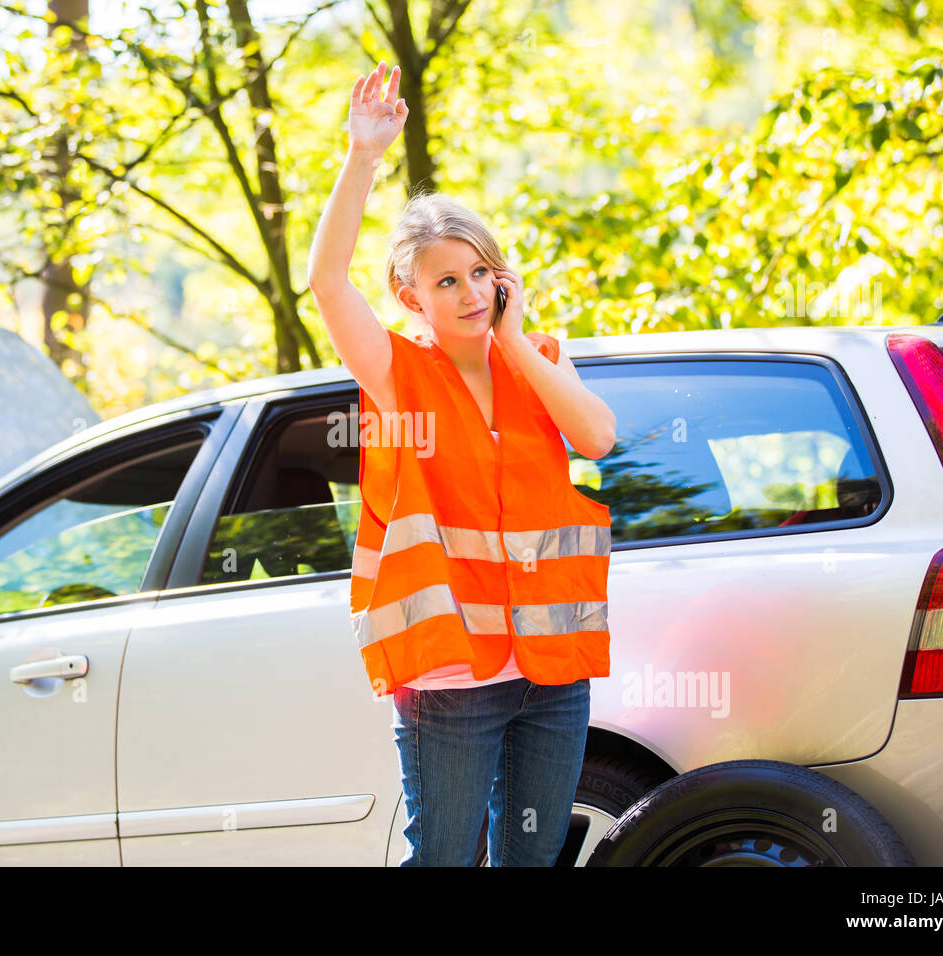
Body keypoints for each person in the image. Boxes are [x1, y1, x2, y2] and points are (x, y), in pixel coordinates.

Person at [307, 60, 617, 866]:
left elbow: (596, 439)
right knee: (445, 858)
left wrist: (515, 340)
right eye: (448, 280)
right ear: (413, 297)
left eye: (482, 272)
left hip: (551, 669)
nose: (471, 291)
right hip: (451, 676)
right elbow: (327, 281)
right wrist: (363, 156)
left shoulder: (538, 357)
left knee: (533, 858)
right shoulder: (395, 371)